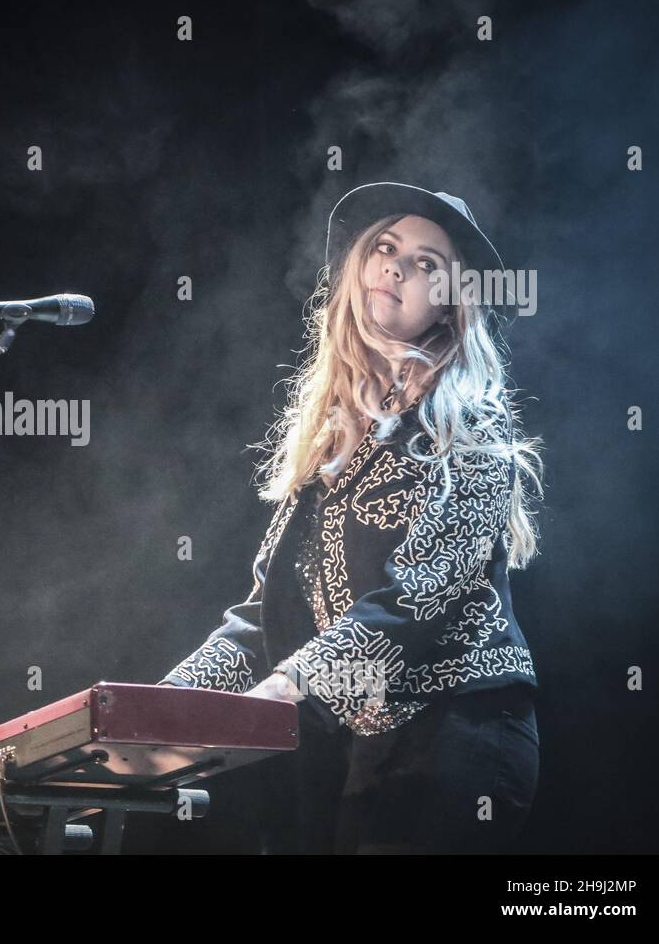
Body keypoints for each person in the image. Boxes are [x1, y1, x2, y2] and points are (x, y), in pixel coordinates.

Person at [160, 182, 546, 854]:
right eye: (387, 248)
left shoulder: (471, 426)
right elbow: (264, 619)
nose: (396, 266)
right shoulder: (337, 441)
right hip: (370, 749)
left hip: (461, 733)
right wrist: (159, 707)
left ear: (451, 303)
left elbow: (419, 598)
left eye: (428, 264)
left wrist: (289, 686)